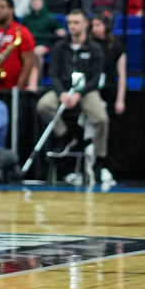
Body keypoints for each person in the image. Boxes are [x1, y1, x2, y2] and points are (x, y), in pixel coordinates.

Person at [36, 9, 108, 181]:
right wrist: (61, 93)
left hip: (86, 91)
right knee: (43, 105)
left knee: (101, 119)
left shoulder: (94, 48)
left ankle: (99, 158)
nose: (72, 26)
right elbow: (53, 74)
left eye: (76, 22)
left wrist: (79, 94)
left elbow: (96, 77)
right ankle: (64, 135)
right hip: (64, 89)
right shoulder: (60, 47)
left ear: (85, 24)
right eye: (69, 23)